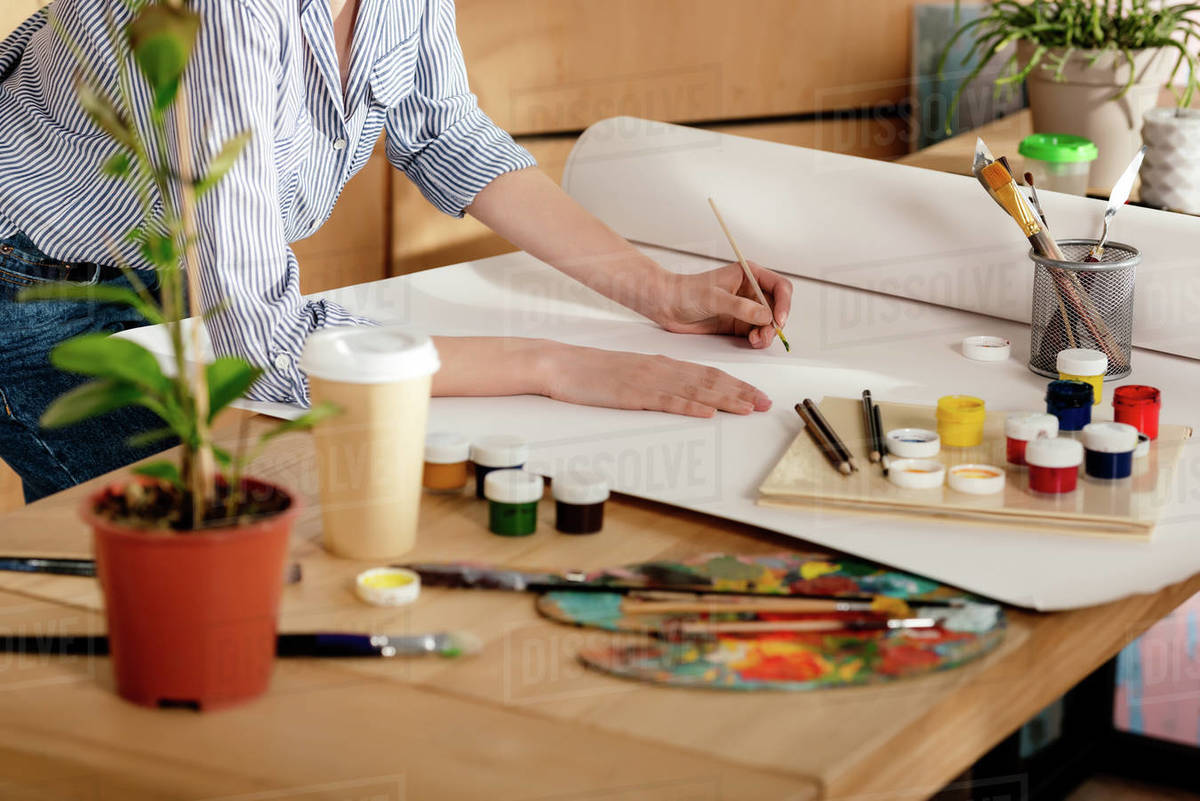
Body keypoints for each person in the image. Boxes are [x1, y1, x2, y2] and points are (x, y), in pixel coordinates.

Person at [0, 0, 792, 502]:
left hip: (183, 280)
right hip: (37, 289)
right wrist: (554, 364)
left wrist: (661, 291)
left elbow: (446, 131)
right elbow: (261, 344)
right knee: (200, 540)